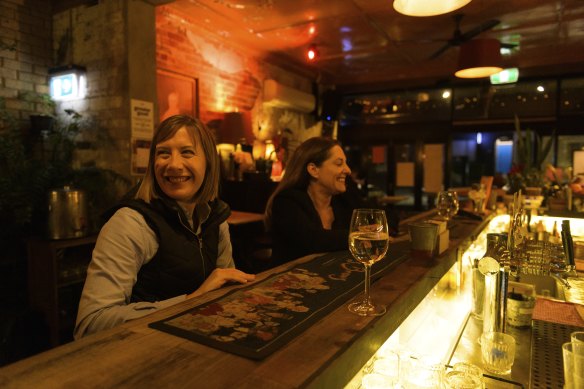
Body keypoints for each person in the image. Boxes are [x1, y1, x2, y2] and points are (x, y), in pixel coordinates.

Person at [74, 115, 255, 339]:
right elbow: (90, 323)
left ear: (209, 162)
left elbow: (226, 294)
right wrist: (192, 301)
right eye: (163, 153)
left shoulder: (215, 220)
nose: (174, 164)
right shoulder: (131, 223)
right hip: (141, 354)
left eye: (187, 152)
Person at [265, 137, 364, 266]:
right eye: (339, 163)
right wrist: (360, 235)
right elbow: (312, 240)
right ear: (313, 170)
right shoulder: (287, 201)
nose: (348, 170)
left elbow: (381, 216)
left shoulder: (342, 200)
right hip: (290, 281)